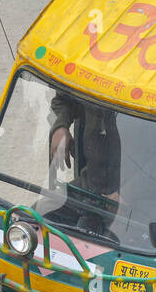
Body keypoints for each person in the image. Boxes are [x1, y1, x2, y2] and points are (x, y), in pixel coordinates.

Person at [45, 91, 122, 237]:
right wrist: (61, 126)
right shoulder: (97, 75)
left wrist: (129, 190)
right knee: (34, 220)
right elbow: (64, 100)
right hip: (89, 188)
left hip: (134, 206)